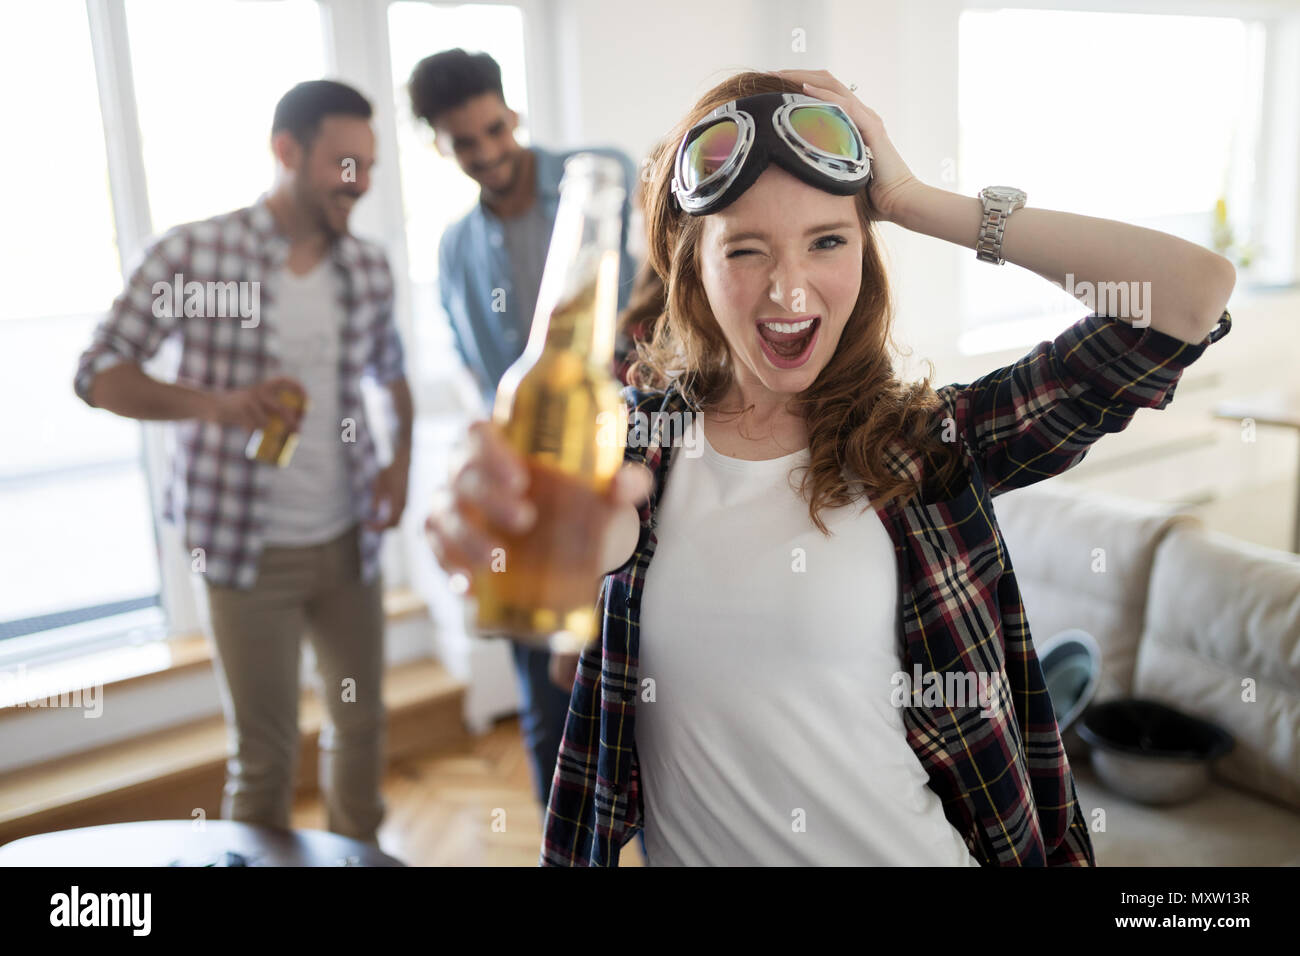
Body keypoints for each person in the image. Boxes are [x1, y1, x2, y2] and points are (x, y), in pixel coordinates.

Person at [425, 69, 1234, 866]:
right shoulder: (635, 450)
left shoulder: (931, 447)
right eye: (745, 249)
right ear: (692, 267)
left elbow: (1190, 297)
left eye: (827, 241)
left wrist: (917, 198)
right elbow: (578, 538)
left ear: (865, 249)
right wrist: (503, 529)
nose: (790, 289)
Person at [74, 80, 412, 847]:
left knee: (361, 730)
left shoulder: (367, 268)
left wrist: (396, 465)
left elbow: (392, 379)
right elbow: (96, 373)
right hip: (240, 549)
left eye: (368, 165)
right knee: (264, 754)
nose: (358, 183)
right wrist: (216, 405)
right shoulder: (195, 255)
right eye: (342, 164)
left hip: (347, 543)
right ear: (286, 151)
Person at [407, 48, 640, 814]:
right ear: (442, 146)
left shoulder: (591, 177)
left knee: (631, 687)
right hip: (524, 482)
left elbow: (666, 278)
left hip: (619, 456)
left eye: (495, 129)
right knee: (543, 702)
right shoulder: (453, 246)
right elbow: (478, 370)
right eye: (465, 142)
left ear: (513, 114)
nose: (488, 153)